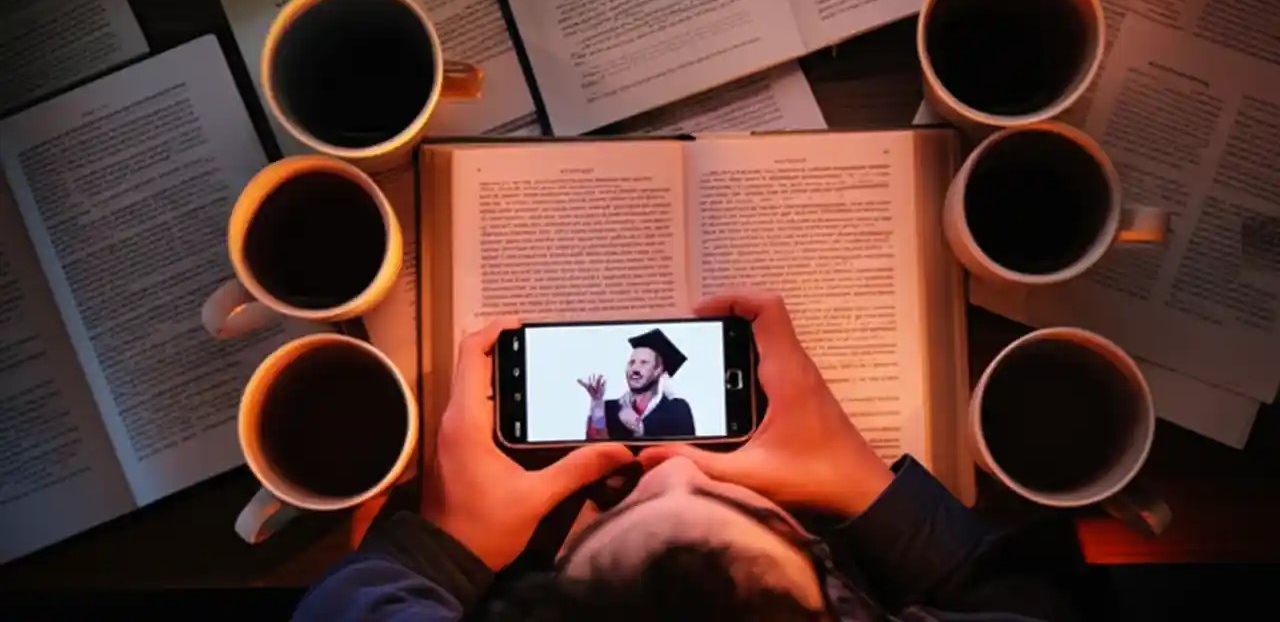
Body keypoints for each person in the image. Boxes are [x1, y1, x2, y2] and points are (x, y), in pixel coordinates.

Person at [294, 293, 1082, 621]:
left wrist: (447, 539)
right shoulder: (626, 406)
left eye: (616, 507)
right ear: (842, 603)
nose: (672, 464)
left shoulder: (668, 407)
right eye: (742, 507)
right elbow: (1032, 599)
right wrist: (864, 484)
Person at [579, 328, 696, 440]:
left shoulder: (676, 410)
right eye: (632, 363)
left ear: (658, 370)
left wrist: (640, 428)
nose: (635, 368)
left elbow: (686, 449)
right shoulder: (610, 408)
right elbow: (597, 444)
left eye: (643, 363)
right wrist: (597, 403)